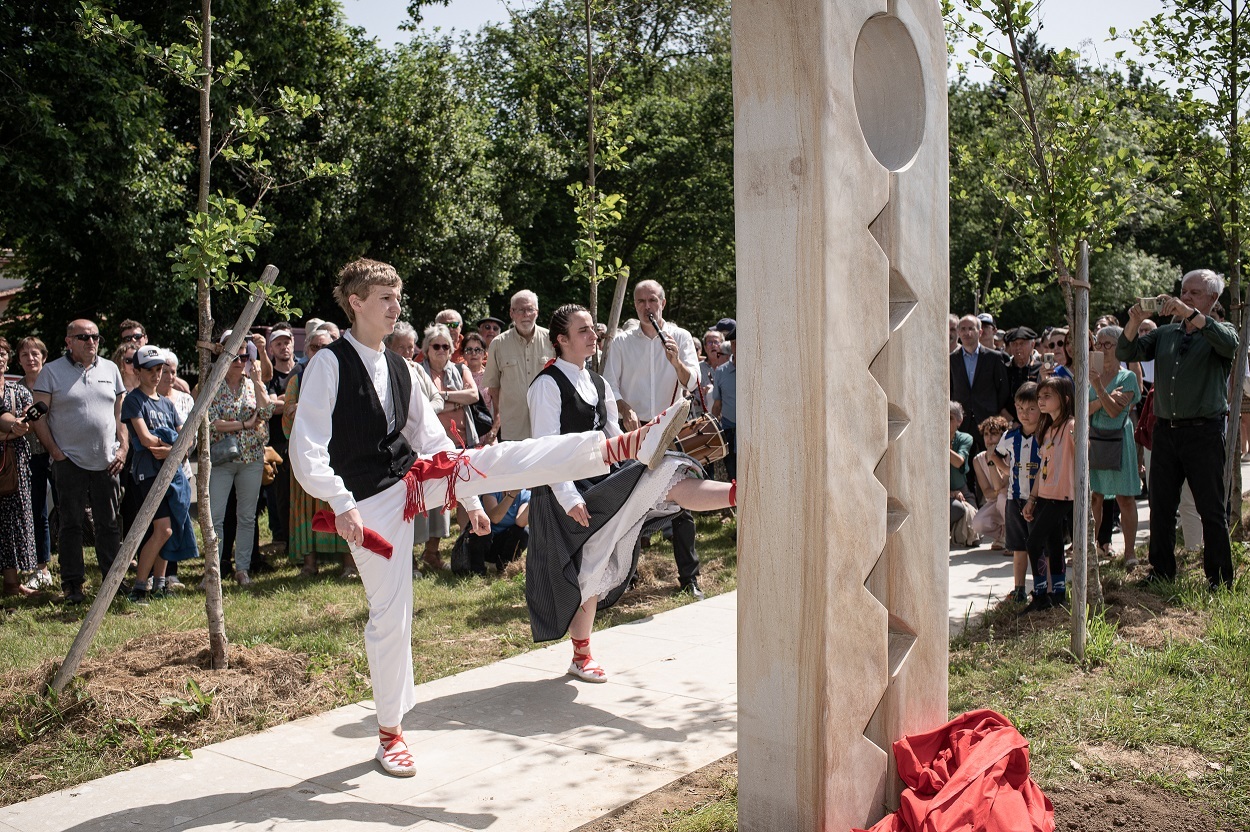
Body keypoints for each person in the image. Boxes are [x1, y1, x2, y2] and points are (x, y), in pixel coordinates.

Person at [290, 258, 692, 776]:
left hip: (410, 478)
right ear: (357, 303)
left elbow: (432, 439)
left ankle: (623, 445)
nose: (395, 307)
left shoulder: (402, 368)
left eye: (397, 297)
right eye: (385, 298)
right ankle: (390, 733)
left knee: (497, 458)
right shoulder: (330, 363)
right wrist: (340, 502)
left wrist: (470, 498)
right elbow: (307, 449)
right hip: (365, 503)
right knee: (391, 614)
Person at [526, 304, 736, 683]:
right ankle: (581, 654)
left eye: (594, 329)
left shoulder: (598, 383)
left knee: (667, 474)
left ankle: (739, 494)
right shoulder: (547, 384)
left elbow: (613, 441)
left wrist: (650, 436)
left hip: (603, 480)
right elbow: (546, 451)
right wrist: (570, 498)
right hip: (568, 492)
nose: (594, 335)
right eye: (583, 331)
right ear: (561, 339)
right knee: (589, 566)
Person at [1117, 271, 1238, 589]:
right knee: (1160, 507)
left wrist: (1190, 315)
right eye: (1183, 291)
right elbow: (1125, 352)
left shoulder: (1220, 332)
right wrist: (1133, 320)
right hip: (1166, 432)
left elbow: (1229, 344)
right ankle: (1161, 570)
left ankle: (1220, 578)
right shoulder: (1166, 333)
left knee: (1210, 509)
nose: (1185, 297)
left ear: (1212, 299)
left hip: (1203, 433)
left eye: (1194, 293)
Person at [603, 279, 705, 598]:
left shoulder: (682, 337)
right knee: (630, 505)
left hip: (669, 429)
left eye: (652, 301)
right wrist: (624, 408)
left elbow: (692, 382)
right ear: (634, 305)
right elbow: (609, 384)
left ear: (663, 302)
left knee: (683, 503)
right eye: (640, 301)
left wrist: (675, 360)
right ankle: (626, 576)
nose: (647, 307)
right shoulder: (621, 342)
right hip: (635, 432)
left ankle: (689, 578)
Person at [31, 319, 127, 605]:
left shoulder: (110, 369)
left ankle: (113, 584)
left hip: (107, 460)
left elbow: (119, 413)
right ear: (68, 341)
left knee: (109, 524)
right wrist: (56, 452)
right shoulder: (51, 372)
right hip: (69, 461)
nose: (91, 342)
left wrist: (123, 448)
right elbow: (38, 416)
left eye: (95, 337)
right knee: (70, 524)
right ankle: (73, 585)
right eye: (84, 337)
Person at [121, 346, 193, 604]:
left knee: (170, 529)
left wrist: (173, 450)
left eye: (159, 369)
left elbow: (184, 437)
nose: (156, 374)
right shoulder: (133, 399)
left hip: (171, 473)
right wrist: (173, 448)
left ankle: (160, 584)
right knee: (162, 530)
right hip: (147, 473)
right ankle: (140, 586)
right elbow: (146, 438)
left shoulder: (167, 403)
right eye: (150, 370)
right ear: (137, 371)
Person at [203, 334, 273, 586]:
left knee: (246, 516)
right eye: (234, 355)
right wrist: (245, 423)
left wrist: (257, 382)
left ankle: (242, 569)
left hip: (251, 458)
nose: (239, 360)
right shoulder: (212, 384)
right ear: (223, 355)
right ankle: (212, 572)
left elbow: (265, 413)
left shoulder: (251, 383)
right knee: (216, 516)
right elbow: (211, 423)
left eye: (244, 355)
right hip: (222, 459)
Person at [283, 331, 353, 578]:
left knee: (341, 505)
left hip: (340, 455)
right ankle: (310, 564)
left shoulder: (343, 377)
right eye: (314, 346)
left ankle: (349, 564)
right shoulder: (297, 381)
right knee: (306, 510)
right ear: (306, 351)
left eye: (325, 346)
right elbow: (287, 419)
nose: (319, 351)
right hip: (307, 455)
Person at [1022, 377, 1076, 611]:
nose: (1040, 401)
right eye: (1040, 396)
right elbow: (1042, 465)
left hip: (1062, 495)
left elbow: (1085, 455)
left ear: (1064, 400)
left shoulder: (1072, 426)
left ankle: (1042, 595)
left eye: (1047, 396)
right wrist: (1032, 499)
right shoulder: (1047, 428)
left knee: (1033, 543)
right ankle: (1059, 595)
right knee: (1053, 544)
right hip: (1044, 495)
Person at [1089, 326, 1141, 567]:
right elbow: (1081, 410)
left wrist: (1099, 390)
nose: (1101, 348)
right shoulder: (1089, 373)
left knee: (1125, 498)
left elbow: (1113, 412)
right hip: (1094, 439)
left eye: (1108, 344)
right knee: (1095, 497)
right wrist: (1106, 397)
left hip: (1120, 440)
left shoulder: (1127, 377)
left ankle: (1130, 553)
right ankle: (1092, 550)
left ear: (1120, 347)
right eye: (1098, 344)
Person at [994, 383, 1043, 603]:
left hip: (1040, 498)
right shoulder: (1010, 436)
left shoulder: (1045, 435)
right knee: (1018, 547)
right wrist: (1006, 470)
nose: (1025, 414)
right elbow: (995, 455)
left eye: (1031, 409)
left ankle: (1043, 586)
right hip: (1015, 499)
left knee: (1040, 546)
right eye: (1021, 409)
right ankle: (1019, 589)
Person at [485, 290, 554, 441]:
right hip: (513, 428)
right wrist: (500, 418)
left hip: (548, 425)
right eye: (520, 310)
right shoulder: (498, 344)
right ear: (511, 313)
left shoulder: (552, 340)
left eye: (530, 309)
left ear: (537, 312)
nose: (525, 314)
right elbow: (493, 388)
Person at [1, 339, 37, 598]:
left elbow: (29, 422)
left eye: (2, 353)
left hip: (15, 463)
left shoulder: (18, 390)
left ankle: (12, 584)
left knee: (14, 522)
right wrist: (11, 431)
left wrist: (22, 425)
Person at [16, 337, 53, 590]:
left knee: (68, 510)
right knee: (37, 511)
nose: (31, 358)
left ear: (44, 357)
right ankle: (42, 567)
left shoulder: (53, 385)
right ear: (18, 360)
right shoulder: (15, 390)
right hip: (29, 457)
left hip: (57, 454)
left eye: (35, 354)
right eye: (25, 354)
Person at [950, 315, 1011, 455]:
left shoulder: (994, 358)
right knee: (965, 470)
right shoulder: (952, 359)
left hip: (988, 422)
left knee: (991, 465)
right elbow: (951, 390)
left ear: (980, 332)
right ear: (958, 333)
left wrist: (994, 410)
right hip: (962, 423)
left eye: (971, 328)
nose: (967, 333)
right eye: (963, 329)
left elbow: (1003, 390)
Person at [264, 326, 297, 551]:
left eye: (287, 342)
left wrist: (280, 401)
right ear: (271, 349)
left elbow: (277, 405)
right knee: (280, 495)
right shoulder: (270, 377)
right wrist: (292, 402)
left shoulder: (303, 369)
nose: (284, 347)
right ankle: (283, 539)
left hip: (302, 440)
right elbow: (268, 407)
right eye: (278, 344)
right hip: (278, 443)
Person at [970, 416, 1009, 549]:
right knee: (977, 523)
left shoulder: (1012, 455)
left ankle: (1012, 539)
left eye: (993, 434)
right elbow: (987, 492)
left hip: (1010, 502)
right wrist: (998, 491)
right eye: (986, 434)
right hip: (994, 500)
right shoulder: (978, 459)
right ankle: (1002, 535)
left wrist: (993, 461)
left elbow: (1001, 485)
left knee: (1003, 498)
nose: (989, 438)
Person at [948, 401, 979, 547]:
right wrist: (951, 493)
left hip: (962, 490)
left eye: (950, 418)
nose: (945, 422)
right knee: (957, 509)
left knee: (977, 524)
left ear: (959, 422)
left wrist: (942, 444)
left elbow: (958, 461)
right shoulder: (930, 437)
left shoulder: (965, 438)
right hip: (939, 492)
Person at [710, 339, 737, 482]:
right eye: (735, 343)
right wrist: (711, 430)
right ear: (732, 346)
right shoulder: (721, 371)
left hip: (751, 431)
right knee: (732, 470)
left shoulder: (756, 368)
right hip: (729, 429)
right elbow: (717, 404)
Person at [1002, 327, 1040, 420]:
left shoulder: (1040, 369)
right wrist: (1011, 422)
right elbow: (998, 400)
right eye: (1014, 344)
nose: (1018, 348)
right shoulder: (1003, 369)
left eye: (1022, 344)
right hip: (1009, 423)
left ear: (1032, 345)